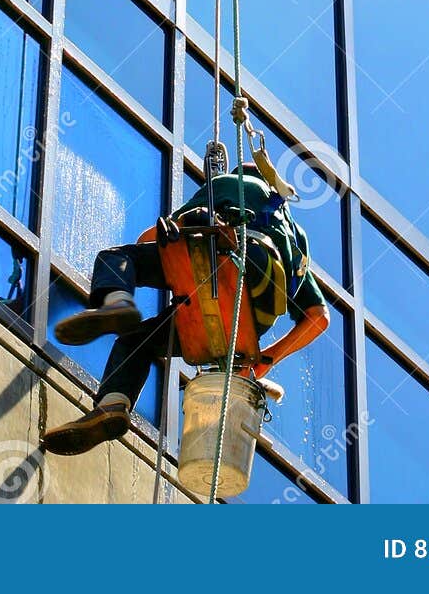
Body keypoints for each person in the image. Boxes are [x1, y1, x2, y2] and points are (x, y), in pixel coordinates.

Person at [42, 163, 330, 456]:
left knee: (118, 257)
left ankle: (117, 302)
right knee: (140, 341)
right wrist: (265, 359)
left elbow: (151, 239)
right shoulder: (296, 238)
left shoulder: (235, 183)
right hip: (250, 320)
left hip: (231, 262)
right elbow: (319, 318)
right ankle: (111, 408)